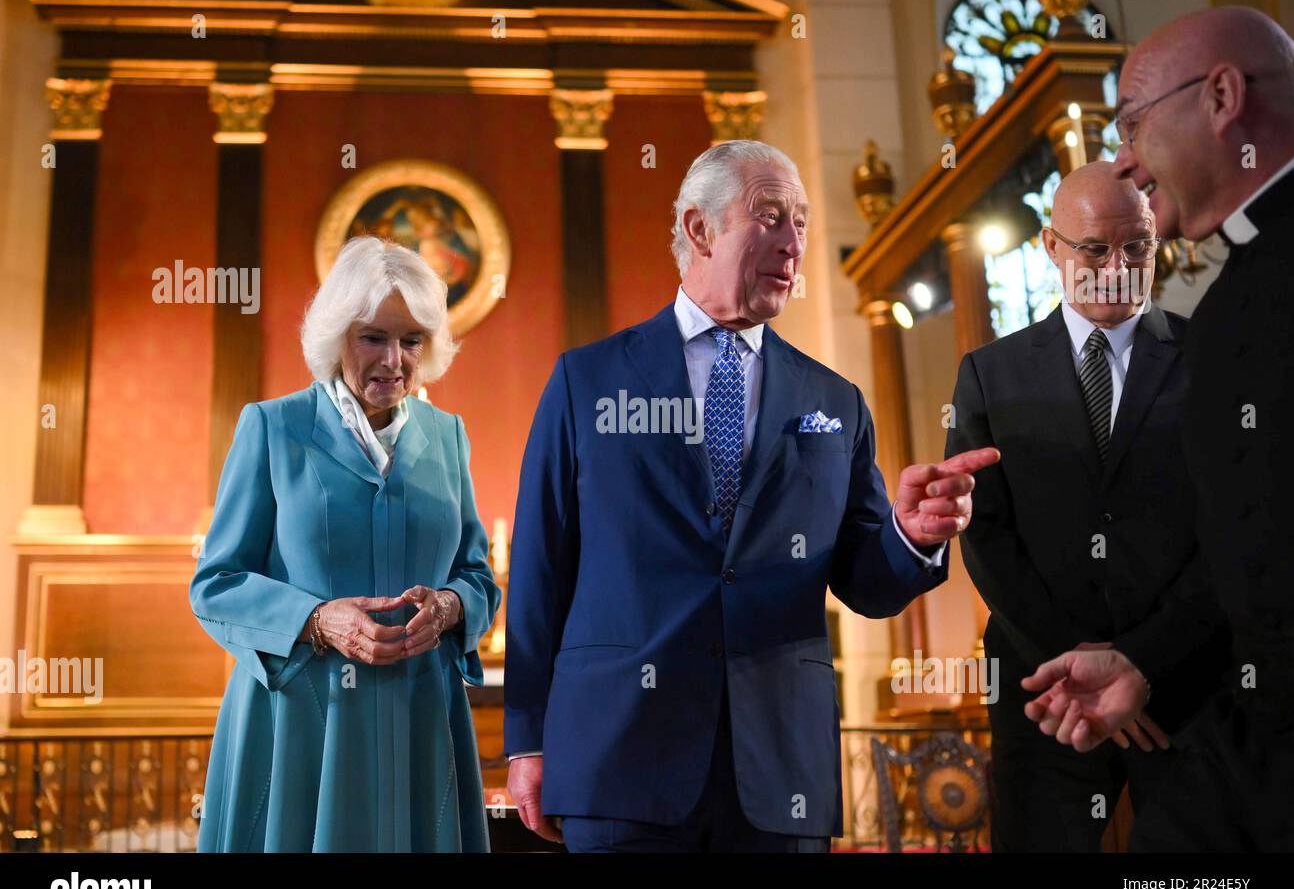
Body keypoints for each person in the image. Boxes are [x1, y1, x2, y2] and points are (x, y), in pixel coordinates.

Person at [504, 140, 997, 852]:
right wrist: (527, 741)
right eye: (771, 217)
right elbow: (540, 569)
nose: (794, 242)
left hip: (779, 769)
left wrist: (911, 533)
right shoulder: (586, 382)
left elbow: (865, 579)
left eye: (801, 222)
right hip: (620, 756)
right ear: (699, 228)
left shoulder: (837, 401)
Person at [1022, 6, 1294, 850]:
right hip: (1253, 747)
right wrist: (1148, 657)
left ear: (1222, 97)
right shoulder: (1220, 311)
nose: (1125, 161)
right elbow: (1250, 543)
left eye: (1134, 124)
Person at [945, 161, 1228, 851]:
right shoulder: (990, 374)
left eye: (1136, 246)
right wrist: (1076, 667)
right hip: (1041, 687)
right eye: (1094, 249)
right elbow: (986, 535)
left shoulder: (1214, 359)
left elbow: (1231, 528)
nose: (1118, 266)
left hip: (1189, 684)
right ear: (1050, 246)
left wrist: (1140, 662)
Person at [191, 235, 501, 851]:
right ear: (337, 339)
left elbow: (478, 574)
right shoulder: (273, 427)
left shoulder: (448, 437)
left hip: (421, 715)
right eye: (373, 338)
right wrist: (316, 618)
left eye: (411, 340)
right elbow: (215, 585)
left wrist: (452, 606)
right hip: (300, 720)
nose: (394, 359)